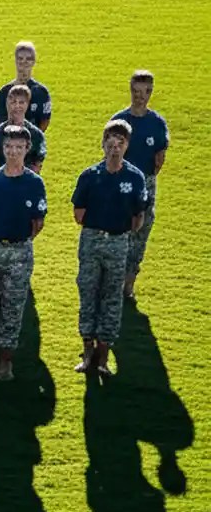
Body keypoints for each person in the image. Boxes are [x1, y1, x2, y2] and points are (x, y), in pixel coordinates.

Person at [0, 126, 47, 382]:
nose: (13, 152)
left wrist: (18, 242)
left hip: (20, 251)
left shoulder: (34, 184)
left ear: (27, 150)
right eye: (9, 147)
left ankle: (6, 362)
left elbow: (38, 223)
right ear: (3, 149)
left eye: (18, 148)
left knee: (14, 307)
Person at [72, 119, 147, 377]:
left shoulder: (135, 178)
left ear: (127, 146)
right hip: (92, 239)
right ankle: (87, 352)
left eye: (120, 143)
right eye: (110, 143)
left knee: (112, 297)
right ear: (103, 144)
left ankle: (103, 357)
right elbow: (78, 214)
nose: (115, 148)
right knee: (88, 292)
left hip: (118, 241)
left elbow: (139, 218)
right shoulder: (90, 176)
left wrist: (119, 232)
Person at [114, 70, 168, 300]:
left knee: (141, 233)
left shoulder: (156, 124)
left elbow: (159, 159)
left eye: (144, 92)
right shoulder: (119, 121)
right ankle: (113, 286)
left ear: (150, 93)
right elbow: (110, 155)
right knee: (118, 233)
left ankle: (128, 287)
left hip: (146, 184)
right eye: (135, 92)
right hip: (120, 183)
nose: (139, 97)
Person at [0, 85, 46, 174]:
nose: (17, 106)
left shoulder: (36, 135)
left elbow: (37, 166)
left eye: (21, 102)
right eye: (13, 102)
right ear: (7, 104)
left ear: (27, 104)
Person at [0, 41, 51, 131]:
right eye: (20, 58)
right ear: (15, 61)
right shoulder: (5, 91)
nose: (23, 62)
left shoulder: (41, 92)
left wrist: (33, 138)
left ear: (33, 62)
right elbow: (1, 121)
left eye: (28, 59)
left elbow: (45, 120)